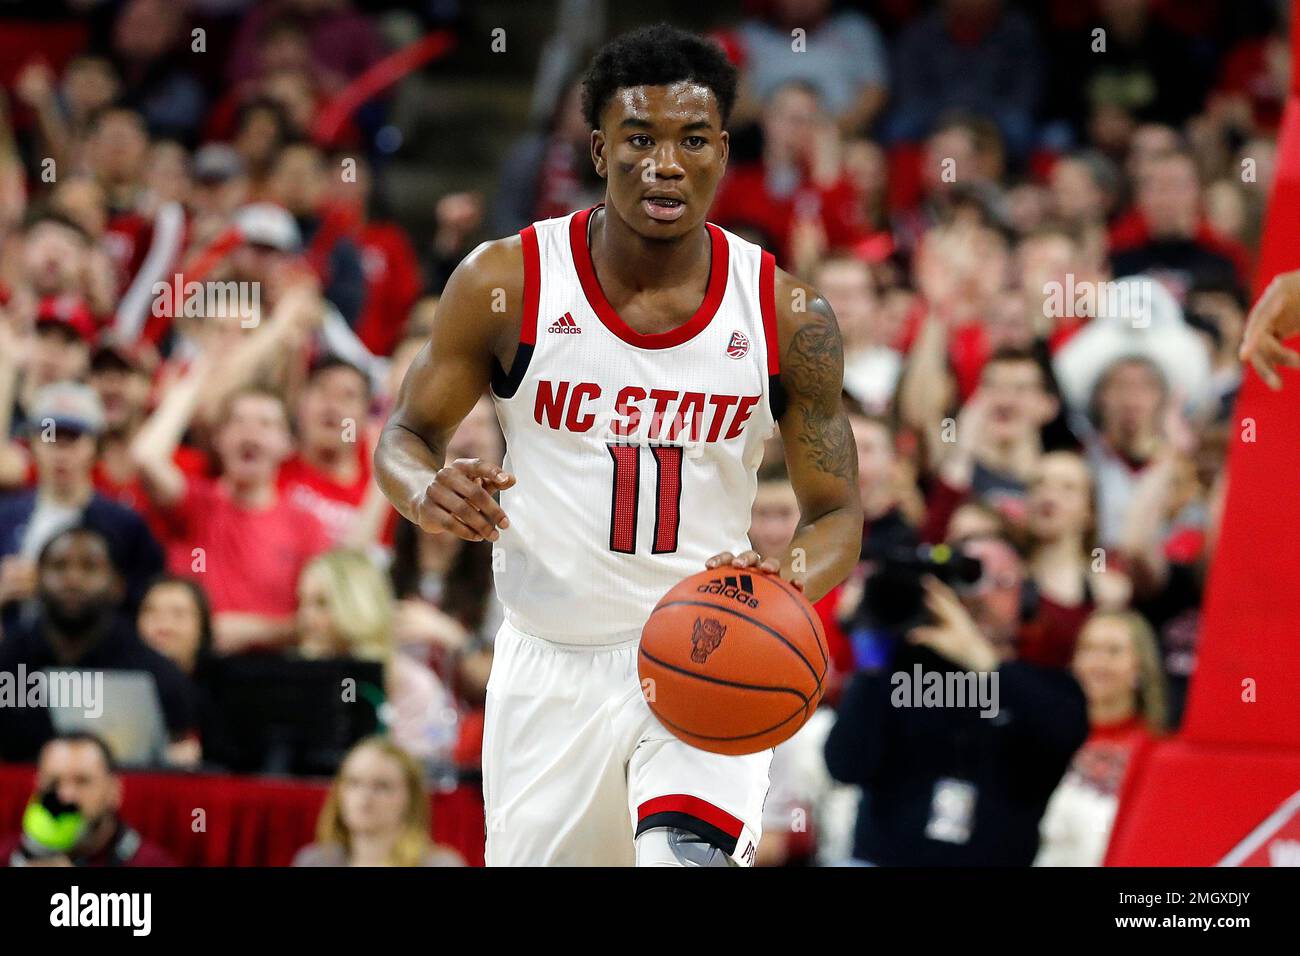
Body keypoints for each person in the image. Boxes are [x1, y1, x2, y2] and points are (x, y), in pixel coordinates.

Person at [374, 25, 863, 868]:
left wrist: (792, 580)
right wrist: (424, 490)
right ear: (599, 150)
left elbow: (837, 511)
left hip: (710, 650)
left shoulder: (788, 314)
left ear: (723, 152)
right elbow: (403, 437)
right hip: (547, 661)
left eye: (694, 140)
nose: (665, 163)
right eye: (640, 138)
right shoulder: (506, 282)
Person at [823, 534, 1089, 865]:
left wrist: (983, 660)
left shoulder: (1049, 685)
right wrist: (871, 645)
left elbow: (1062, 732)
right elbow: (845, 765)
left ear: (1026, 599)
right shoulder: (901, 670)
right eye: (968, 577)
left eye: (1001, 583)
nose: (980, 595)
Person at [0, 525, 196, 763]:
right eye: (59, 567)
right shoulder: (8, 663)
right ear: (37, 581)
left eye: (89, 567)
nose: (72, 579)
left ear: (117, 585)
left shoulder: (155, 675)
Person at [296, 549, 458, 766]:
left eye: (322, 603)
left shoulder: (414, 684)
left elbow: (420, 777)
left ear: (357, 607)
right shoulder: (298, 679)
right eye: (302, 602)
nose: (305, 617)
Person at [1035, 611, 1167, 866]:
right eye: (1088, 649)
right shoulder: (1044, 736)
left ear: (1139, 668)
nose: (1098, 663)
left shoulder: (1157, 753)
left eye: (1113, 651)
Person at [1, 733, 175, 867]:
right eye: (54, 782)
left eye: (82, 781)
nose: (66, 795)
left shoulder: (149, 863)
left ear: (114, 791)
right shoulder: (7, 855)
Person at [292, 737, 463, 867]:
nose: (365, 796)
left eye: (382, 786)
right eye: (354, 782)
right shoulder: (314, 861)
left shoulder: (439, 863)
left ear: (411, 797)